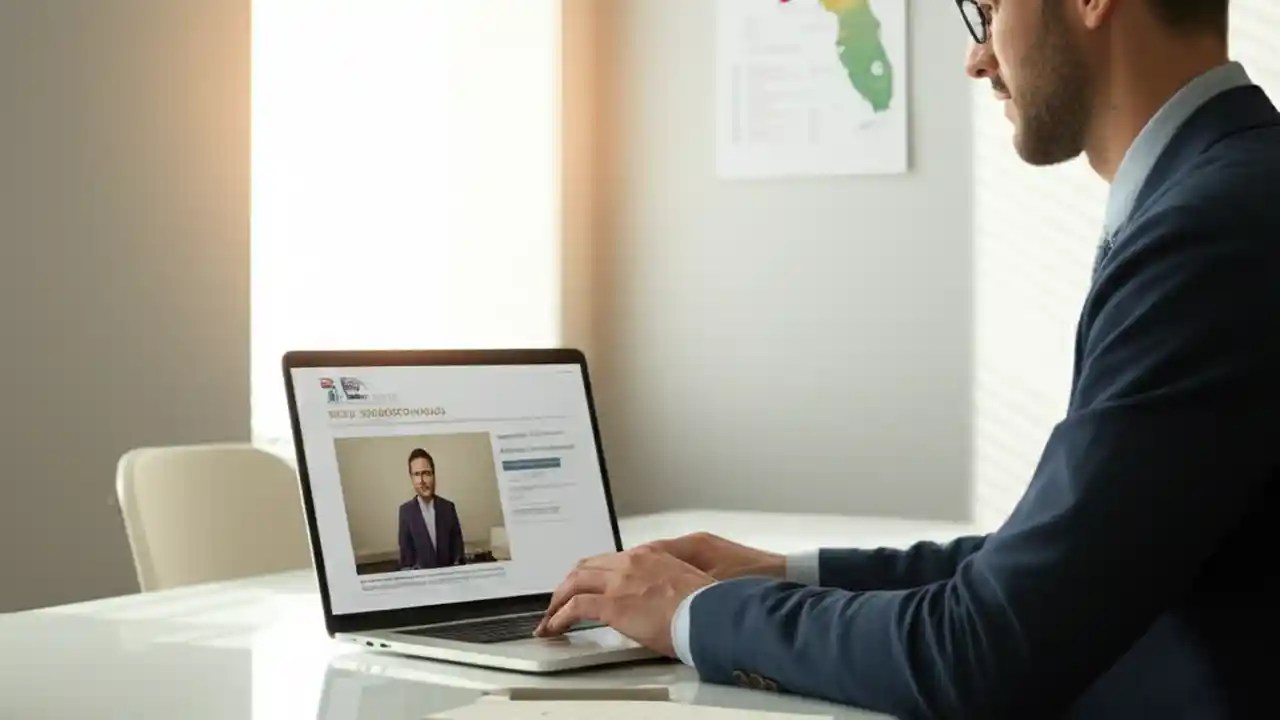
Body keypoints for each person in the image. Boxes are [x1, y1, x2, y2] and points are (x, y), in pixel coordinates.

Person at [534, 1, 1280, 717]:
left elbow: (981, 650)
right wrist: (786, 574)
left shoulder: (1208, 232)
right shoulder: (1229, 192)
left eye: (987, 9)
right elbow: (1071, 561)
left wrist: (692, 613)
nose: (977, 56)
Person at [397, 448, 465, 570]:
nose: (422, 481)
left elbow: (458, 554)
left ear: (434, 475)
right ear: (411, 478)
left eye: (426, 473)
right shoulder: (405, 512)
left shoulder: (448, 508)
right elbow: (406, 562)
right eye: (417, 474)